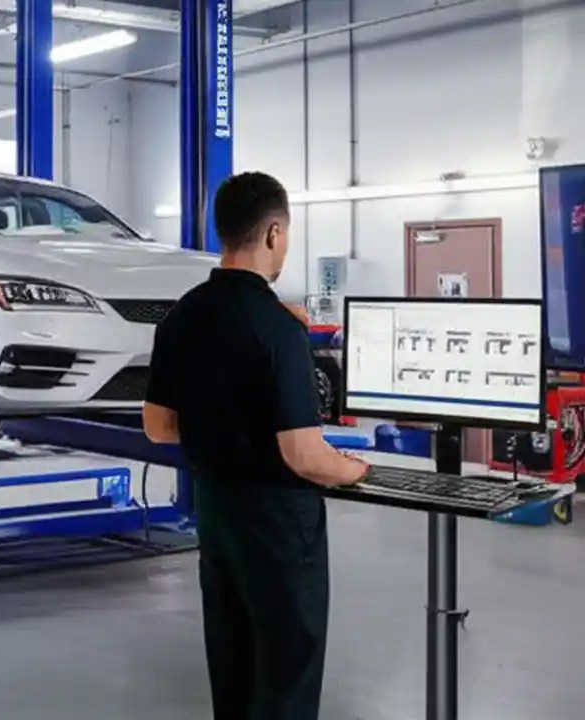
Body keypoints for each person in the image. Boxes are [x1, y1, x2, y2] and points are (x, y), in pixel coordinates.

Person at [142, 171, 369, 720]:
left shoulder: (182, 316)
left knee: (234, 664)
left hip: (217, 514)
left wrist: (223, 431)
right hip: (279, 526)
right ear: (273, 234)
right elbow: (303, 455)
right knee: (286, 672)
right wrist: (354, 470)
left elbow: (158, 426)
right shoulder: (278, 330)